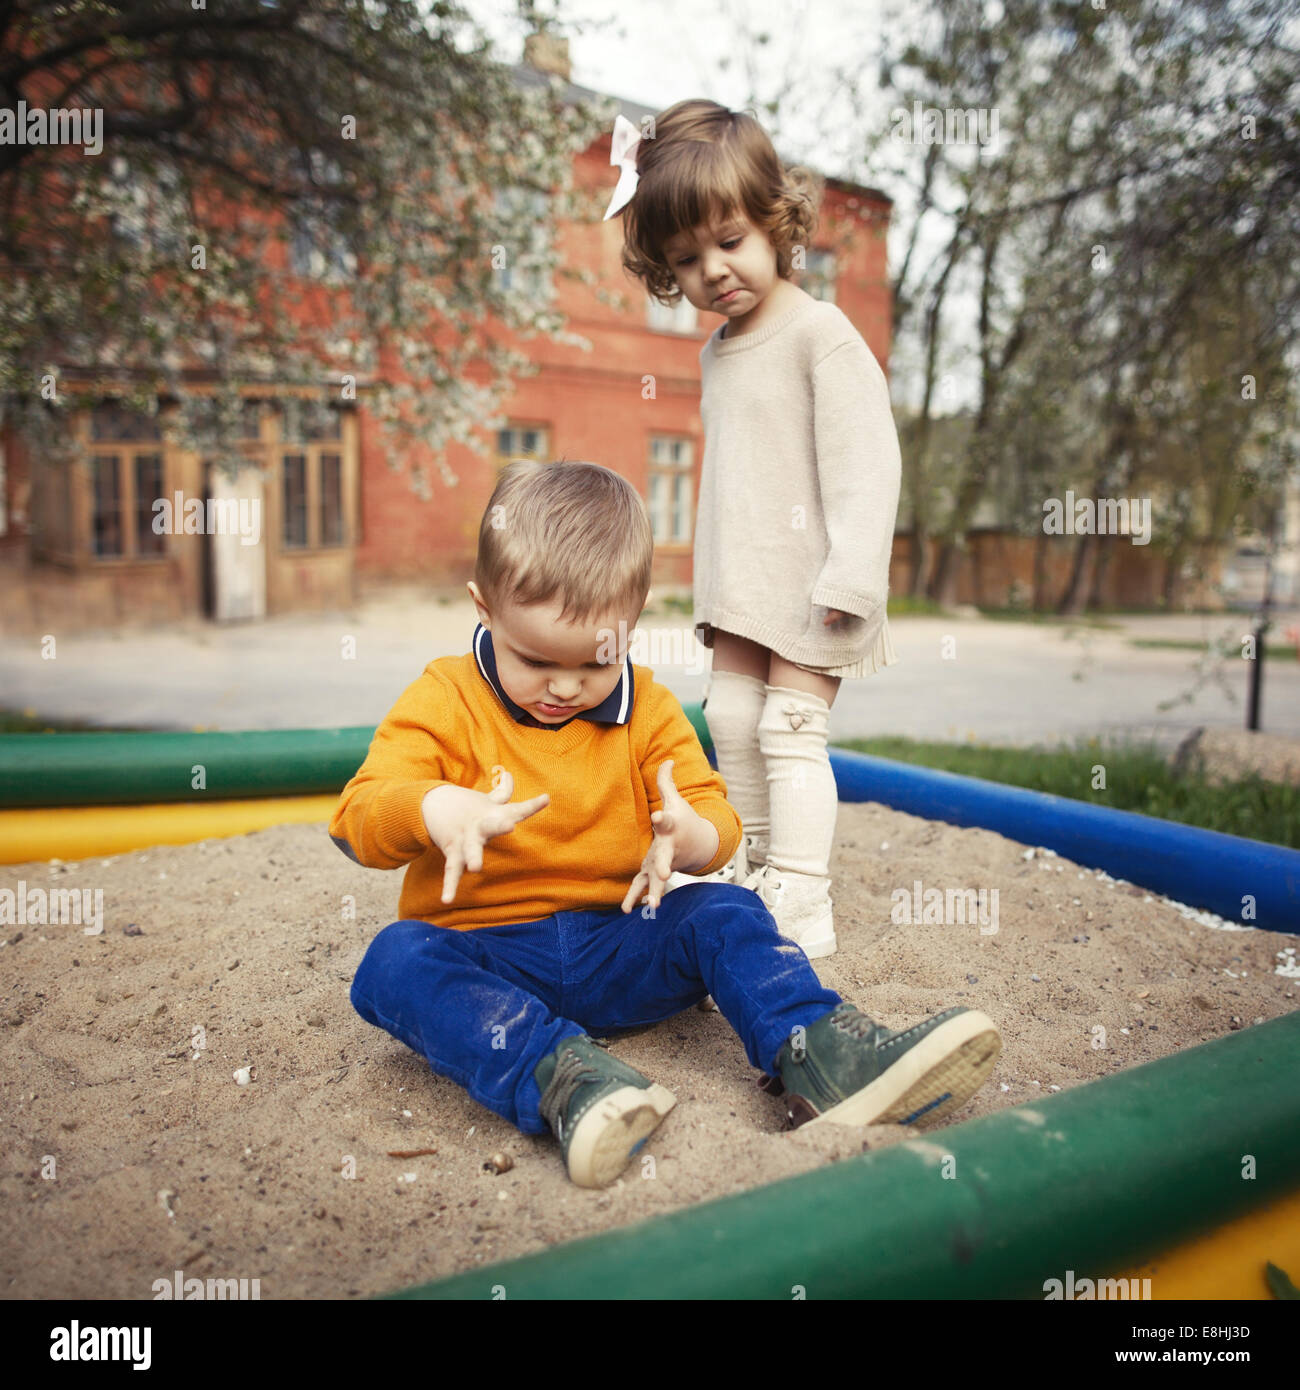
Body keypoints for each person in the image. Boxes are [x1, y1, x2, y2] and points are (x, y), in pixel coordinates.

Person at [330, 460, 1000, 1189]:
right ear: (483, 607)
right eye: (535, 659)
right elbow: (357, 817)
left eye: (594, 663)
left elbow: (718, 819)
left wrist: (690, 837)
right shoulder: (444, 697)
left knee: (726, 910)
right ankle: (566, 1078)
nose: (564, 686)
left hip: (620, 942)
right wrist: (431, 807)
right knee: (393, 961)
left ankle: (819, 1051)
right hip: (489, 960)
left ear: (634, 625)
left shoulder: (647, 710)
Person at [610, 100, 904, 960]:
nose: (715, 270)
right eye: (687, 260)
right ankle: (749, 866)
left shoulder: (822, 335)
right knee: (732, 718)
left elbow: (867, 459)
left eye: (730, 240)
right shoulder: (713, 354)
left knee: (792, 729)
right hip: (745, 577)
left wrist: (853, 574)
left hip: (818, 579)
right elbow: (733, 478)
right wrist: (709, 583)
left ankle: (803, 898)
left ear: (777, 222)